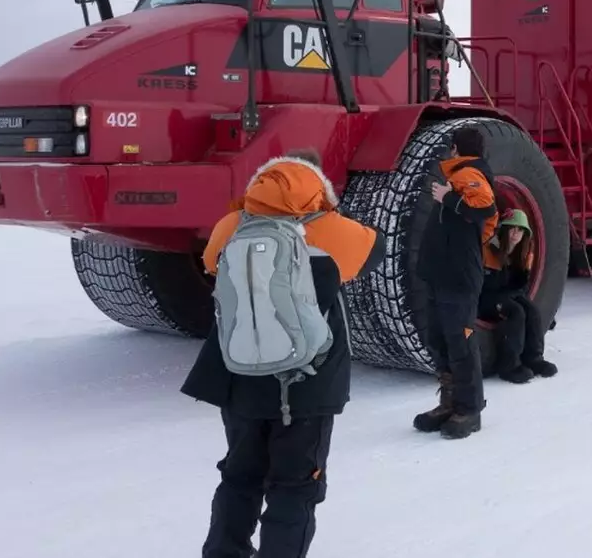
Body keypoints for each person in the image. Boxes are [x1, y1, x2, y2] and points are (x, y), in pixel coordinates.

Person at [182, 149, 382, 558]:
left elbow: (210, 264)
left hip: (237, 375)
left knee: (239, 477)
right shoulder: (332, 228)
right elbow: (374, 253)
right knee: (295, 488)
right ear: (316, 186)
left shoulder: (231, 226)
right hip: (306, 382)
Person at [412, 126, 498, 440]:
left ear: (455, 148)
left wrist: (449, 199)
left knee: (460, 342)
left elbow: (485, 207)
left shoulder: (468, 172)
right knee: (440, 339)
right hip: (442, 273)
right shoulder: (460, 173)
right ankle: (450, 403)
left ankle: (470, 409)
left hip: (458, 276)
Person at [480, 207, 558, 384]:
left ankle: (534, 359)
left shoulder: (520, 255)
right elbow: (485, 285)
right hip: (484, 297)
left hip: (506, 294)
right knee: (515, 312)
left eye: (521, 230)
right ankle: (509, 366)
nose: (516, 233)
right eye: (513, 228)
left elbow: (519, 286)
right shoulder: (489, 249)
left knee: (532, 311)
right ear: (505, 229)